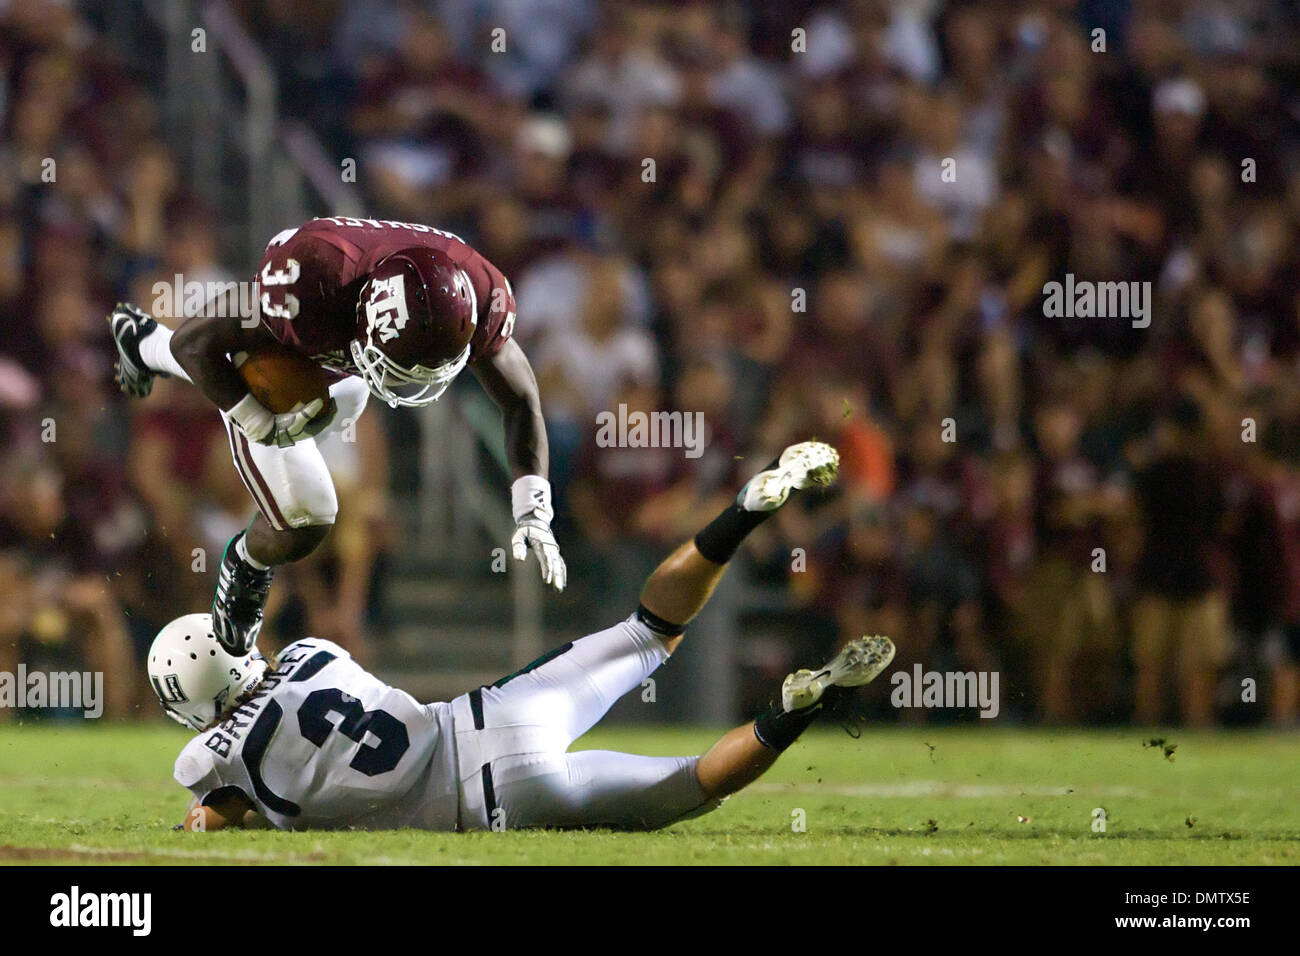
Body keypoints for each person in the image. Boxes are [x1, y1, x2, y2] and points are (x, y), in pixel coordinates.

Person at [151, 441, 894, 832]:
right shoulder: (313, 652)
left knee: (691, 784)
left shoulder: (208, 758)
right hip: (492, 712)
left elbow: (215, 817)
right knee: (651, 629)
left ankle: (799, 705)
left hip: (494, 800)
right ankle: (742, 509)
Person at [109, 216, 565, 656]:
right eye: (405, 369)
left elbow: (521, 400)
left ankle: (141, 341)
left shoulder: (481, 295)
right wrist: (254, 418)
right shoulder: (308, 284)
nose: (413, 382)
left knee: (348, 398)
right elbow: (195, 343)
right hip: (293, 339)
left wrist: (532, 509)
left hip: (341, 346)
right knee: (309, 517)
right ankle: (245, 566)